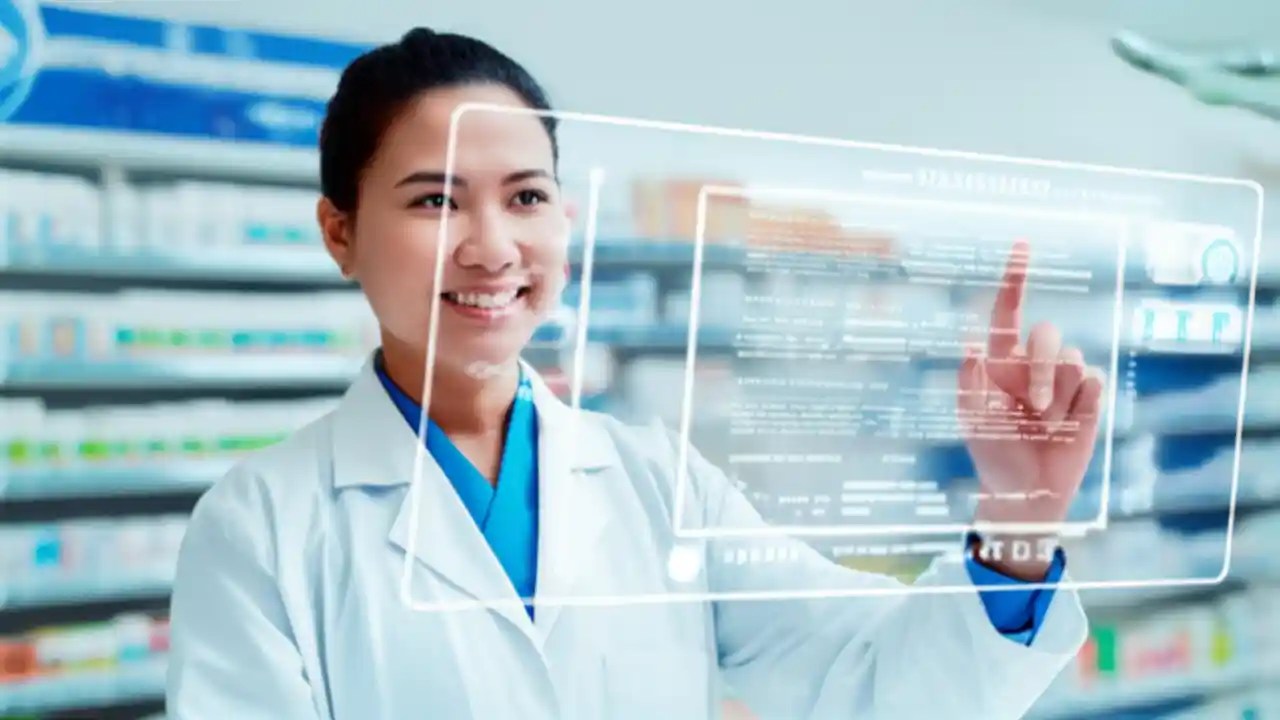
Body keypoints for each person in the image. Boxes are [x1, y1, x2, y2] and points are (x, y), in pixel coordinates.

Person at [166, 27, 1106, 720]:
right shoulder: (262, 530)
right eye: (436, 200)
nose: (493, 249)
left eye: (526, 197)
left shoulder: (656, 481)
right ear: (341, 233)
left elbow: (872, 682)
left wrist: (1018, 525)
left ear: (564, 220)